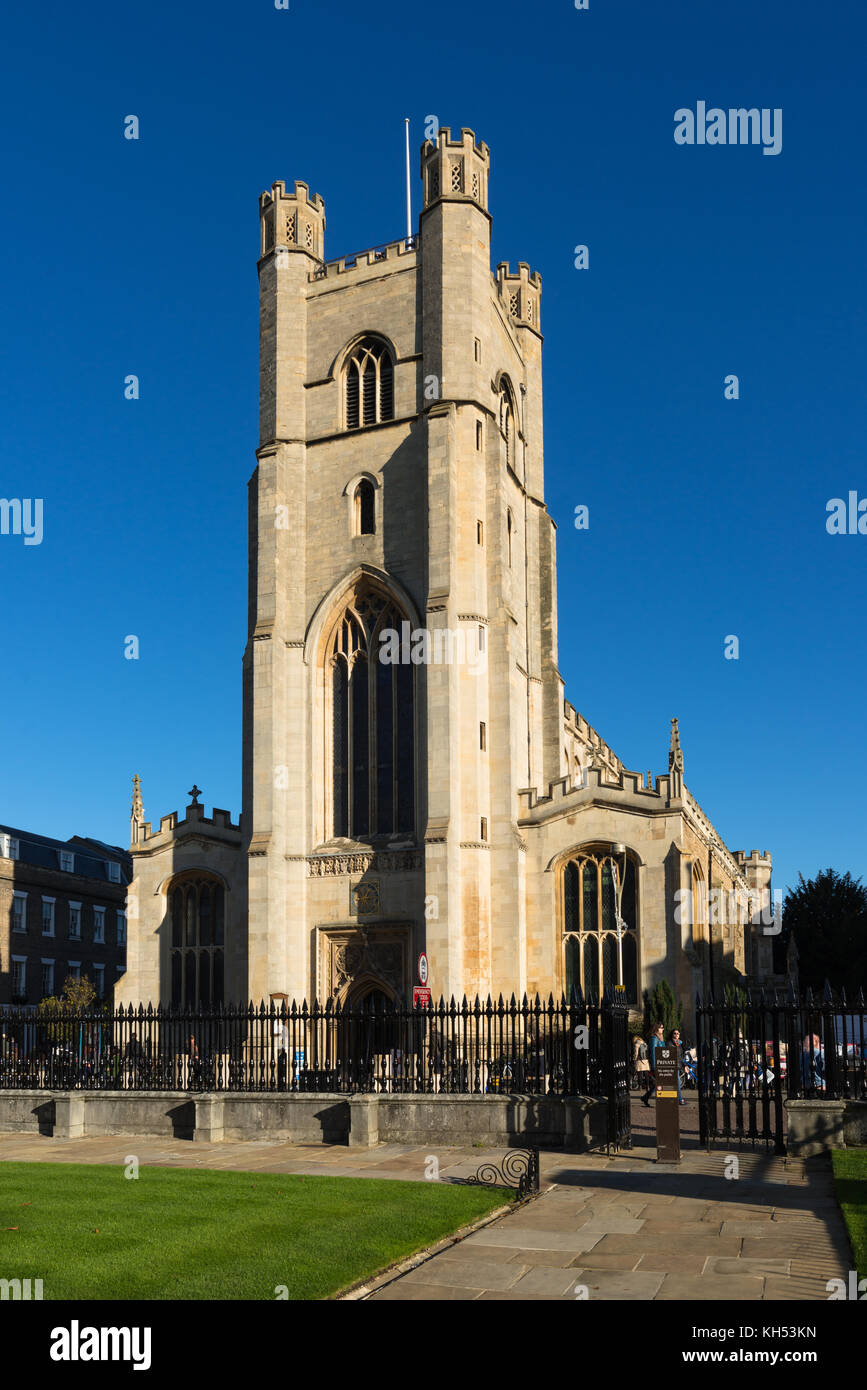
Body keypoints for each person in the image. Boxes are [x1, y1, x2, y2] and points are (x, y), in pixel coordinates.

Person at [642, 1022, 666, 1106]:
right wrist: (654, 1066)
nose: (663, 1029)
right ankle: (660, 1101)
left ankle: (646, 1097)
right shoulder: (654, 1038)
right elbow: (653, 1053)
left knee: (658, 1083)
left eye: (663, 1027)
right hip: (657, 1064)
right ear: (656, 1028)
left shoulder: (660, 1038)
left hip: (661, 1063)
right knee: (660, 1083)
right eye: (661, 1027)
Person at [670, 1027, 688, 1106]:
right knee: (677, 1082)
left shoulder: (679, 1043)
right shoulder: (670, 1043)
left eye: (678, 1033)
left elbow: (681, 1056)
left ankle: (646, 1096)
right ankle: (680, 1099)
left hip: (678, 1065)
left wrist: (685, 1065)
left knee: (676, 1082)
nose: (676, 1035)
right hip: (672, 1065)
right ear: (672, 1034)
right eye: (675, 1033)